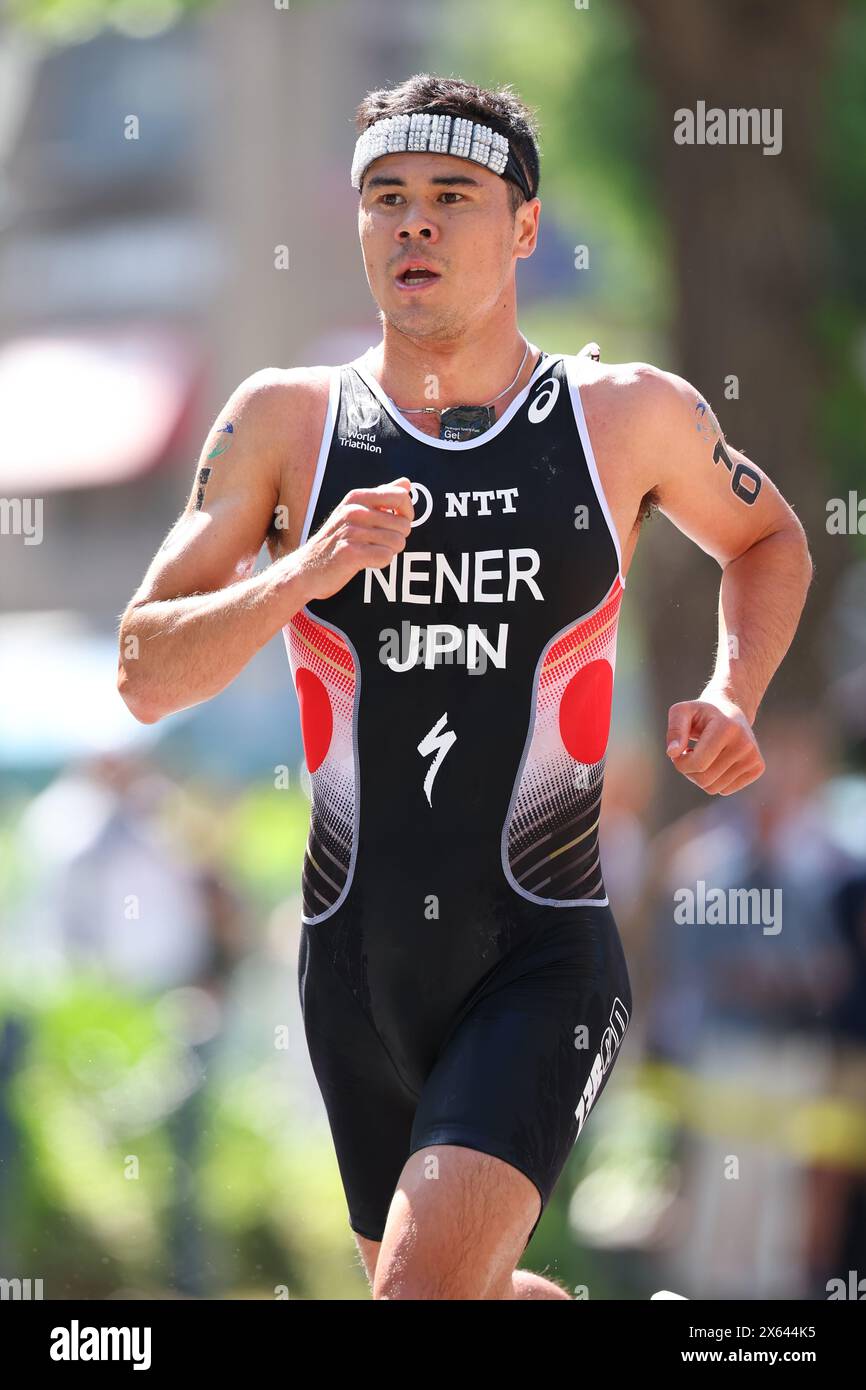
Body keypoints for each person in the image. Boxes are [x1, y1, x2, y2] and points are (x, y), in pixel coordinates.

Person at [117, 74, 813, 1300]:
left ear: (525, 228)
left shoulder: (624, 416)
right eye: (386, 198)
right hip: (349, 968)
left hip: (538, 953)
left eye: (451, 196)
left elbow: (768, 540)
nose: (414, 224)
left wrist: (731, 691)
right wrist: (306, 570)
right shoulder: (284, 422)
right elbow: (143, 670)